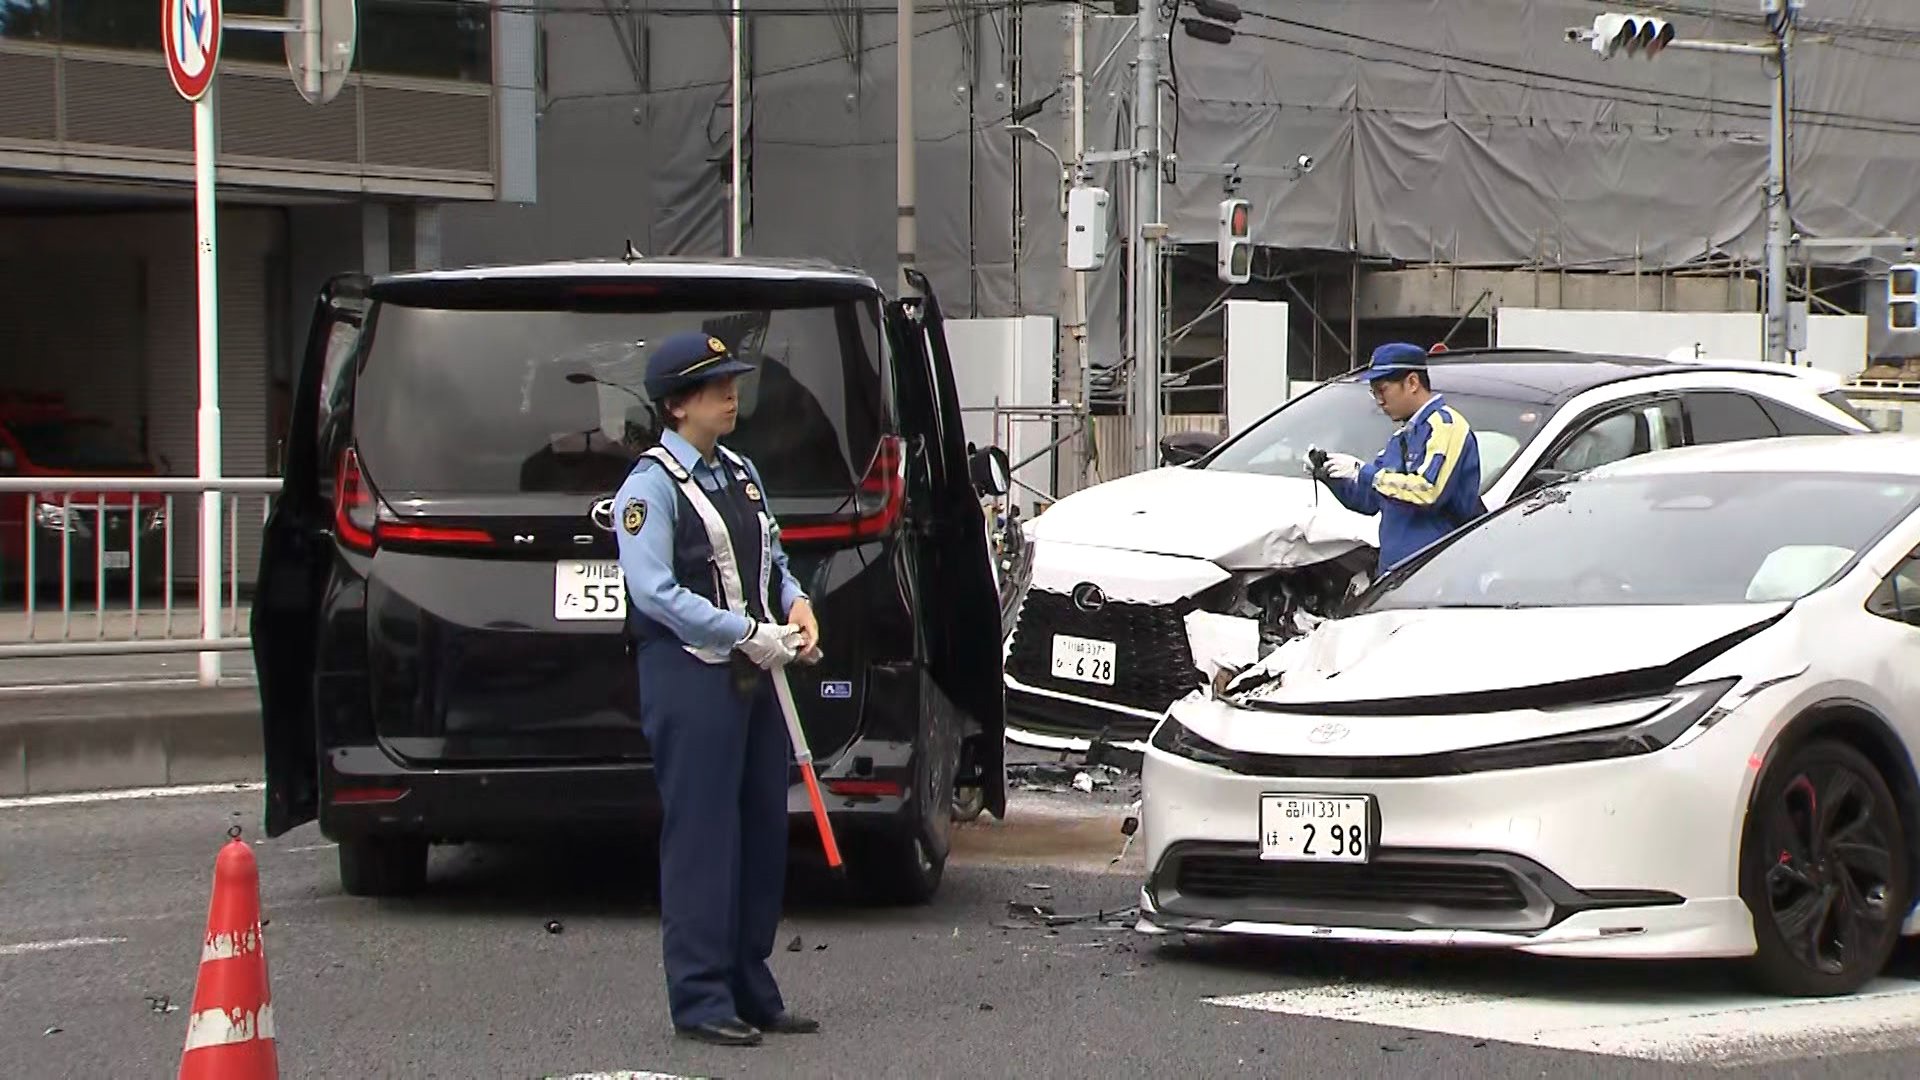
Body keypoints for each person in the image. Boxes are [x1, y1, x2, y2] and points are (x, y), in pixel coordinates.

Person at [612, 330, 823, 1048]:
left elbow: (773, 555)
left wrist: (795, 604)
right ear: (677, 404)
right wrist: (742, 630)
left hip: (754, 669)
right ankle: (700, 997)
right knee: (702, 835)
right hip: (689, 673)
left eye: (731, 381)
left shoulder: (738, 470)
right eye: (713, 386)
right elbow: (654, 591)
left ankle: (750, 985)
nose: (731, 394)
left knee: (761, 828)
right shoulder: (648, 489)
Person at [1309, 342, 1486, 574]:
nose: (1379, 401)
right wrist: (1331, 475)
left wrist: (1362, 471)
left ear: (1412, 383)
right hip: (1394, 575)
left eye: (1382, 390)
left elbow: (1428, 490)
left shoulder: (1446, 426)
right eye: (1374, 393)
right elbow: (1371, 500)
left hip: (1433, 572)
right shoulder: (1401, 438)